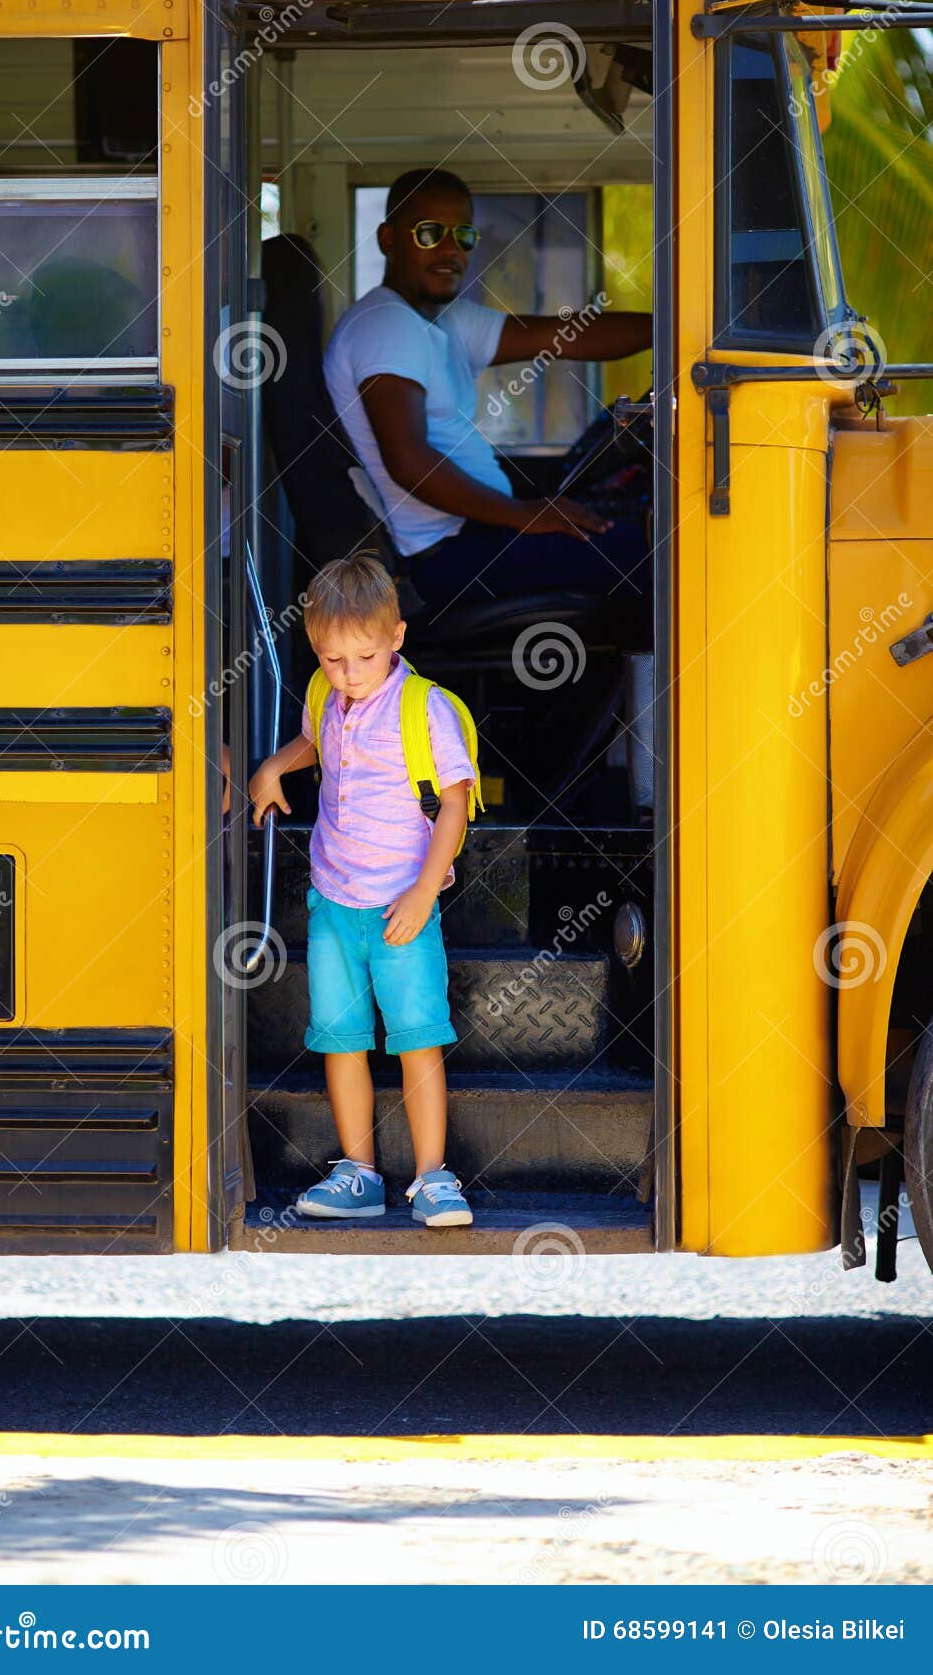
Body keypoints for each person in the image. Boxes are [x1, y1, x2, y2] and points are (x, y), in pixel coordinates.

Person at [248, 552, 477, 1228]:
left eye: (364, 658)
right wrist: (274, 767)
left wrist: (422, 892)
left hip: (402, 903)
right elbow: (314, 741)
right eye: (330, 658)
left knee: (416, 1039)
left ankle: (434, 1176)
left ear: (397, 637)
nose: (348, 674)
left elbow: (455, 807)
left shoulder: (422, 707)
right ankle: (359, 1173)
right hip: (332, 903)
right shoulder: (327, 695)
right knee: (340, 1039)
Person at [324, 167, 654, 611]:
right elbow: (408, 462)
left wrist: (674, 330)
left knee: (636, 537)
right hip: (445, 557)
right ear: (388, 239)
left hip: (477, 533)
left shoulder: (444, 320)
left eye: (463, 236)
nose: (449, 250)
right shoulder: (386, 326)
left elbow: (566, 334)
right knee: (659, 555)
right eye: (429, 234)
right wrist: (523, 514)